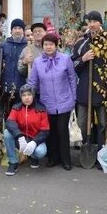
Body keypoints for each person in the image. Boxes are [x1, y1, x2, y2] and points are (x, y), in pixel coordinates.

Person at [27, 33, 76, 170]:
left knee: (62, 130)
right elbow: (32, 82)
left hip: (64, 101)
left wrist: (73, 98)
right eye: (46, 44)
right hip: (46, 103)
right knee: (51, 131)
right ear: (43, 46)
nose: (48, 47)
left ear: (56, 45)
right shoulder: (37, 62)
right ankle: (53, 158)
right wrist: (27, 95)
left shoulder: (66, 59)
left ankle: (66, 159)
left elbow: (72, 79)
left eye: (51, 44)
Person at [72, 11, 107, 152]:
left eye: (95, 21)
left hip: (103, 90)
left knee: (103, 123)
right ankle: (85, 149)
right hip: (85, 90)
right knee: (82, 123)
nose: (92, 24)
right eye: (89, 21)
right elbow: (73, 66)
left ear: (100, 23)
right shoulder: (81, 43)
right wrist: (82, 59)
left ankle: (102, 151)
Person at [3, 84, 50, 176]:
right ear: (21, 97)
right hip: (21, 139)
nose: (26, 98)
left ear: (33, 95)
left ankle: (34, 157)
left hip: (35, 139)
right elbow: (10, 122)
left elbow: (45, 130)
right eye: (24, 95)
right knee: (7, 133)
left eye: (29, 95)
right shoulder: (16, 107)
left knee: (41, 152)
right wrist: (19, 136)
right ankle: (13, 162)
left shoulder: (41, 109)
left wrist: (34, 142)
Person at [0, 19, 28, 120]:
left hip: (23, 85)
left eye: (19, 28)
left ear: (23, 30)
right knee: (8, 114)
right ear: (11, 30)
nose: (17, 31)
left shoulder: (28, 46)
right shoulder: (3, 45)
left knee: (22, 114)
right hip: (6, 85)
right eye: (15, 28)